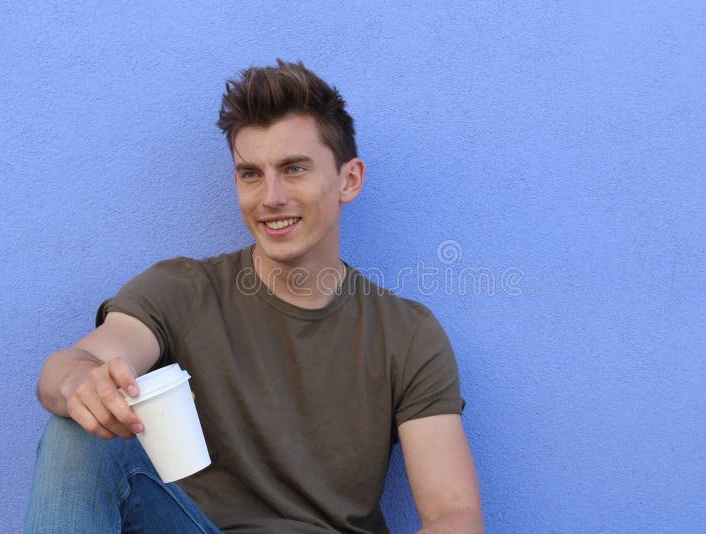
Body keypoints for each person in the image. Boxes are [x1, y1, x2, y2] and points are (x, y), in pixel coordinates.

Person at [26, 60, 483, 533]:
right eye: (250, 174)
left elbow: (454, 513)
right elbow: (76, 362)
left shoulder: (405, 333)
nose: (271, 197)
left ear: (349, 179)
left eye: (294, 169)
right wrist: (81, 384)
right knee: (77, 429)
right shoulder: (183, 290)